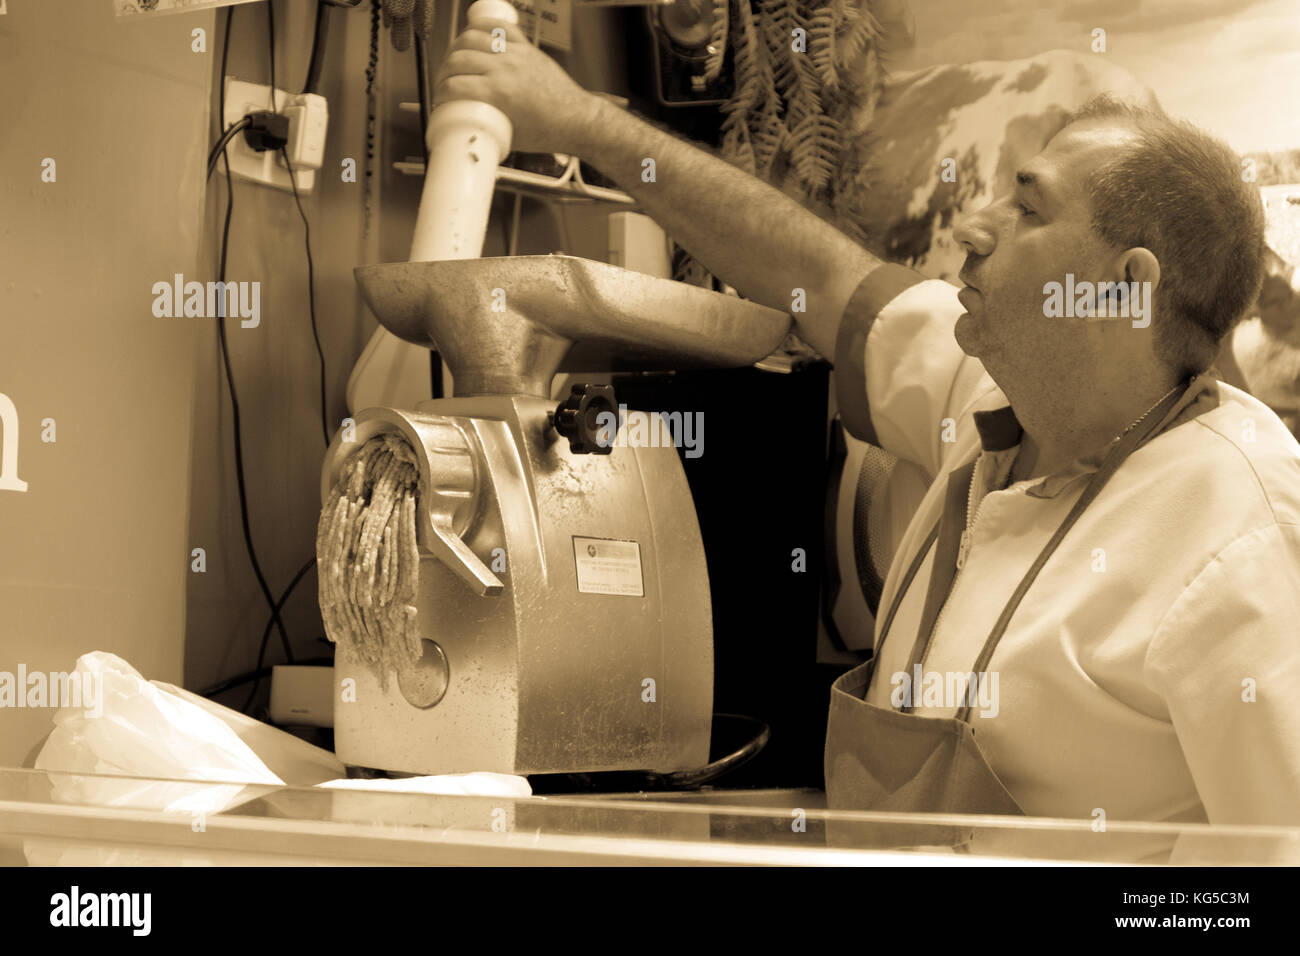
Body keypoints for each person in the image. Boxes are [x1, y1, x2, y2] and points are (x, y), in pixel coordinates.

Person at [433, 22, 1300, 827]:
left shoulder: (1244, 535)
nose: (972, 225)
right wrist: (579, 118)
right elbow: (814, 272)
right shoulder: (985, 394)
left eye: (1028, 209)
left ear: (1124, 286)